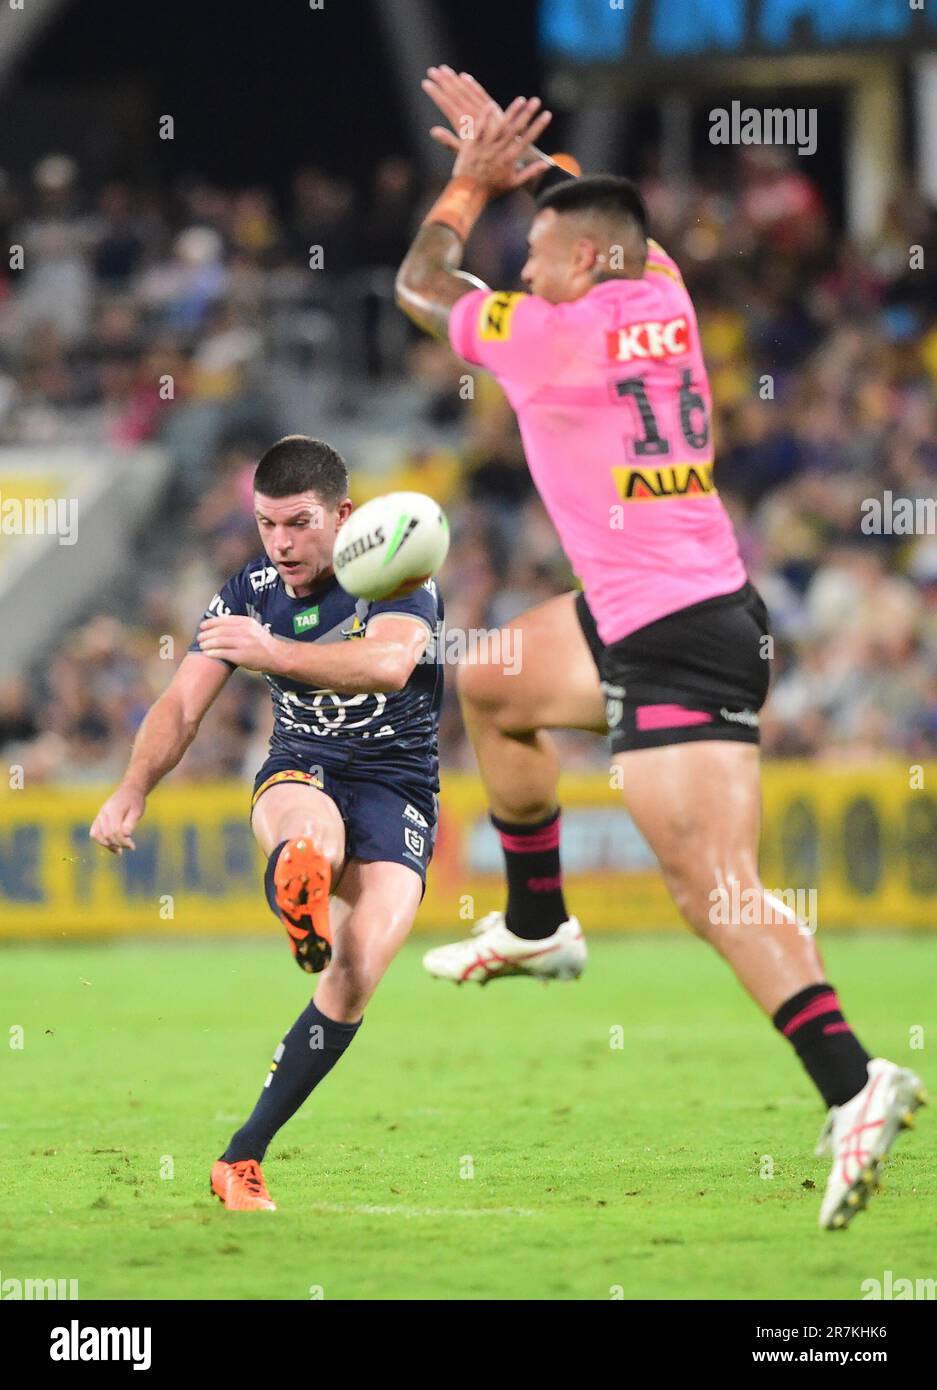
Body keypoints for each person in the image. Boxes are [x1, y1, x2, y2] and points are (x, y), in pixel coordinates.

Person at [394, 70, 924, 1230]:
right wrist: (541, 176)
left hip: (678, 638)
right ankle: (541, 923)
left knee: (714, 890)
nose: (522, 269)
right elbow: (606, 223)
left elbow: (420, 282)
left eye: (537, 252)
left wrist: (469, 180)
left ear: (584, 267)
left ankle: (856, 1082)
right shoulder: (666, 293)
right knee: (489, 680)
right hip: (655, 604)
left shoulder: (544, 341)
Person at [90, 435, 443, 1211]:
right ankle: (300, 877)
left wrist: (272, 652)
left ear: (342, 515)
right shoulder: (249, 589)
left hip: (398, 789)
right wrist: (132, 787)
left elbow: (387, 665)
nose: (280, 544)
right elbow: (184, 702)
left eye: (297, 523)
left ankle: (239, 1157)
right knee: (309, 827)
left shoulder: (396, 569)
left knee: (358, 970)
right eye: (265, 524)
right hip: (303, 766)